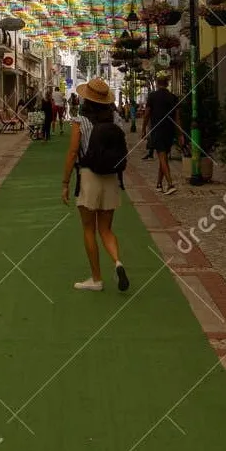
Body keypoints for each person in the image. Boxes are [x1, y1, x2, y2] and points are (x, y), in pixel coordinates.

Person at [61, 77, 130, 293]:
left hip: (88, 176)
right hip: (111, 177)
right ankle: (118, 262)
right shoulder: (116, 120)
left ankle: (96, 279)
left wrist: (65, 182)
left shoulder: (80, 121)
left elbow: (73, 153)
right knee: (106, 229)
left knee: (89, 229)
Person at [143, 72, 179, 195]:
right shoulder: (173, 97)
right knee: (163, 158)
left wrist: (143, 129)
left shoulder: (152, 96)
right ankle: (159, 184)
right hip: (170, 131)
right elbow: (178, 117)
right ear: (167, 84)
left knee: (162, 157)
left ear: (157, 84)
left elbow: (147, 114)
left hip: (157, 129)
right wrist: (180, 134)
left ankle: (170, 184)